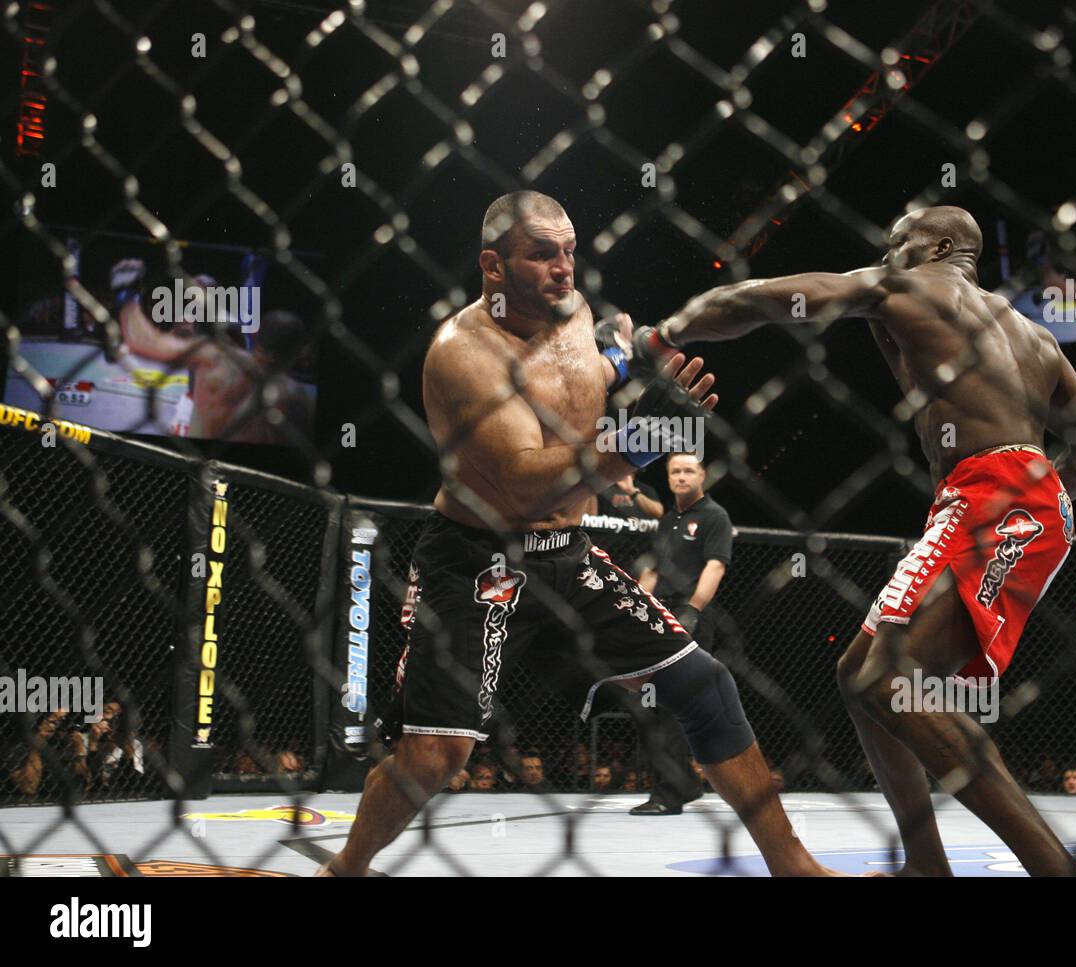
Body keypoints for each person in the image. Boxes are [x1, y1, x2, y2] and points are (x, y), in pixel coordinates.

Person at [320, 190, 838, 877]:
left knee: (705, 683)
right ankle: (344, 869)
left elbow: (586, 377)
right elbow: (522, 480)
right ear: (493, 266)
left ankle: (792, 865)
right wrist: (632, 442)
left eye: (570, 250)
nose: (564, 268)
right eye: (542, 254)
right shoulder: (462, 353)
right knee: (435, 757)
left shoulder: (576, 313)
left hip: (569, 555)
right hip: (477, 560)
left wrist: (625, 361)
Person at [649, 205, 1076, 876]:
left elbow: (773, 299)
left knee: (891, 676)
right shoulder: (1034, 336)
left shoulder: (910, 284)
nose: (885, 251)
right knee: (861, 675)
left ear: (938, 245)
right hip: (1014, 497)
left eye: (896, 240)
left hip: (991, 493)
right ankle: (926, 863)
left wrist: (673, 326)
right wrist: (1042, 499)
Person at [627, 452, 734, 815]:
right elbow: (653, 571)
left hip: (690, 618)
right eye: (675, 471)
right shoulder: (669, 519)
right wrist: (634, 606)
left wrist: (692, 609)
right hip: (661, 616)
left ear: (702, 475)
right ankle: (682, 784)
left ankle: (670, 793)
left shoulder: (714, 516)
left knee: (668, 705)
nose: (682, 477)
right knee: (658, 703)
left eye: (689, 470)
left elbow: (715, 566)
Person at [112, 260, 312, 444]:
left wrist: (126, 296)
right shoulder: (299, 398)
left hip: (214, 404)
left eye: (199, 291)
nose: (193, 295)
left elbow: (151, 343)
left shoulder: (225, 329)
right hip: (199, 400)